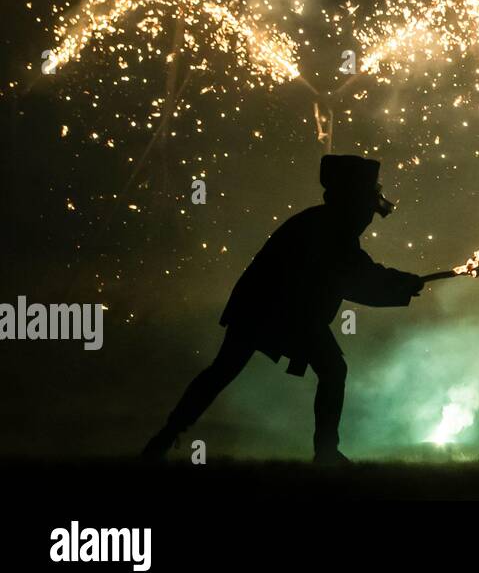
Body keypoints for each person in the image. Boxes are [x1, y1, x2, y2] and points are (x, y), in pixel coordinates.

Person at [141, 155, 427, 464]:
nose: (373, 205)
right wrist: (403, 283)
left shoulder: (324, 221)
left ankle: (164, 439)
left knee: (223, 371)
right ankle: (326, 452)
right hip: (276, 309)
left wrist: (401, 284)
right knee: (327, 370)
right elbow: (356, 276)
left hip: (272, 308)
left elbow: (354, 276)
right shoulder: (329, 228)